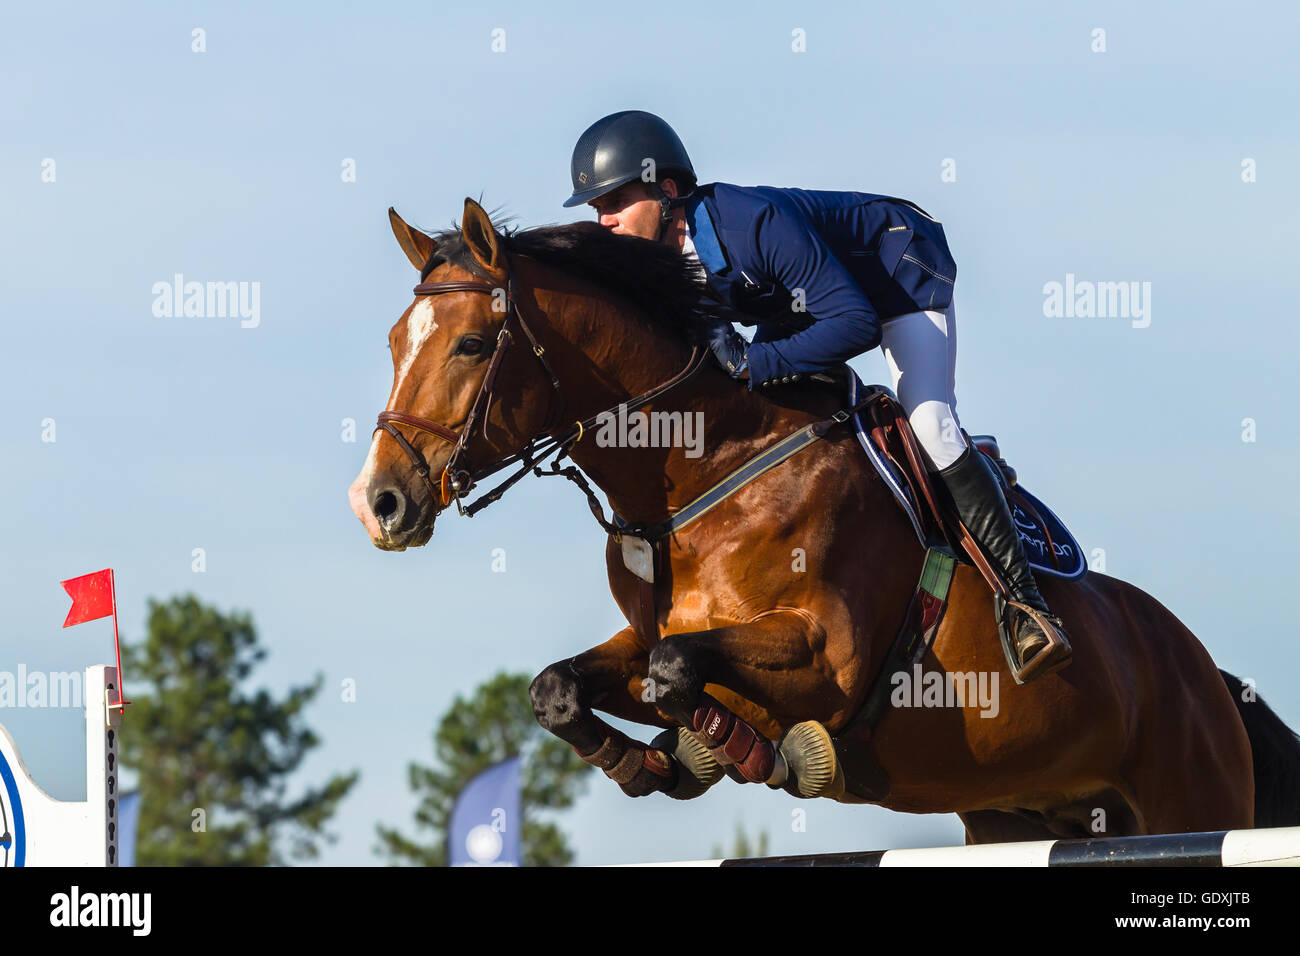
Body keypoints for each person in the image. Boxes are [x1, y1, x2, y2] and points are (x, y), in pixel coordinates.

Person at [563, 109, 1070, 682]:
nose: (602, 220)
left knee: (930, 422)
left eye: (615, 203)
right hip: (807, 302)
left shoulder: (747, 225)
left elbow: (854, 322)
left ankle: (1026, 603)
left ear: (668, 192)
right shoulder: (671, 260)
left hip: (895, 272)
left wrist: (755, 363)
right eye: (596, 208)